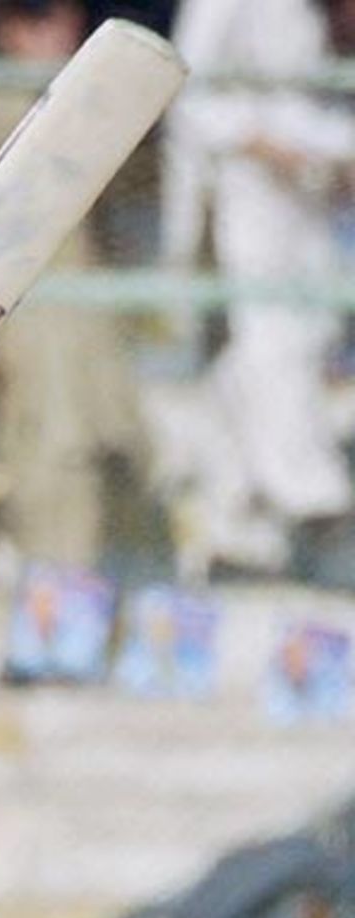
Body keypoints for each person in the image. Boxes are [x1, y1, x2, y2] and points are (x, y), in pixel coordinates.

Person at [0, 0, 153, 581]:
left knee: (123, 458)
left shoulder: (92, 100)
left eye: (67, 18)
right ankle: (56, 620)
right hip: (28, 318)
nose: (61, 34)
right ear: (5, 28)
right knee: (53, 468)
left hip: (90, 315)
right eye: (39, 20)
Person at [161, 0, 355, 583]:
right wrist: (265, 143)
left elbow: (318, 103)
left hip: (309, 202)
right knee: (261, 347)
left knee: (298, 345)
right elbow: (185, 93)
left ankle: (260, 527)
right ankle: (304, 507)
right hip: (237, 194)